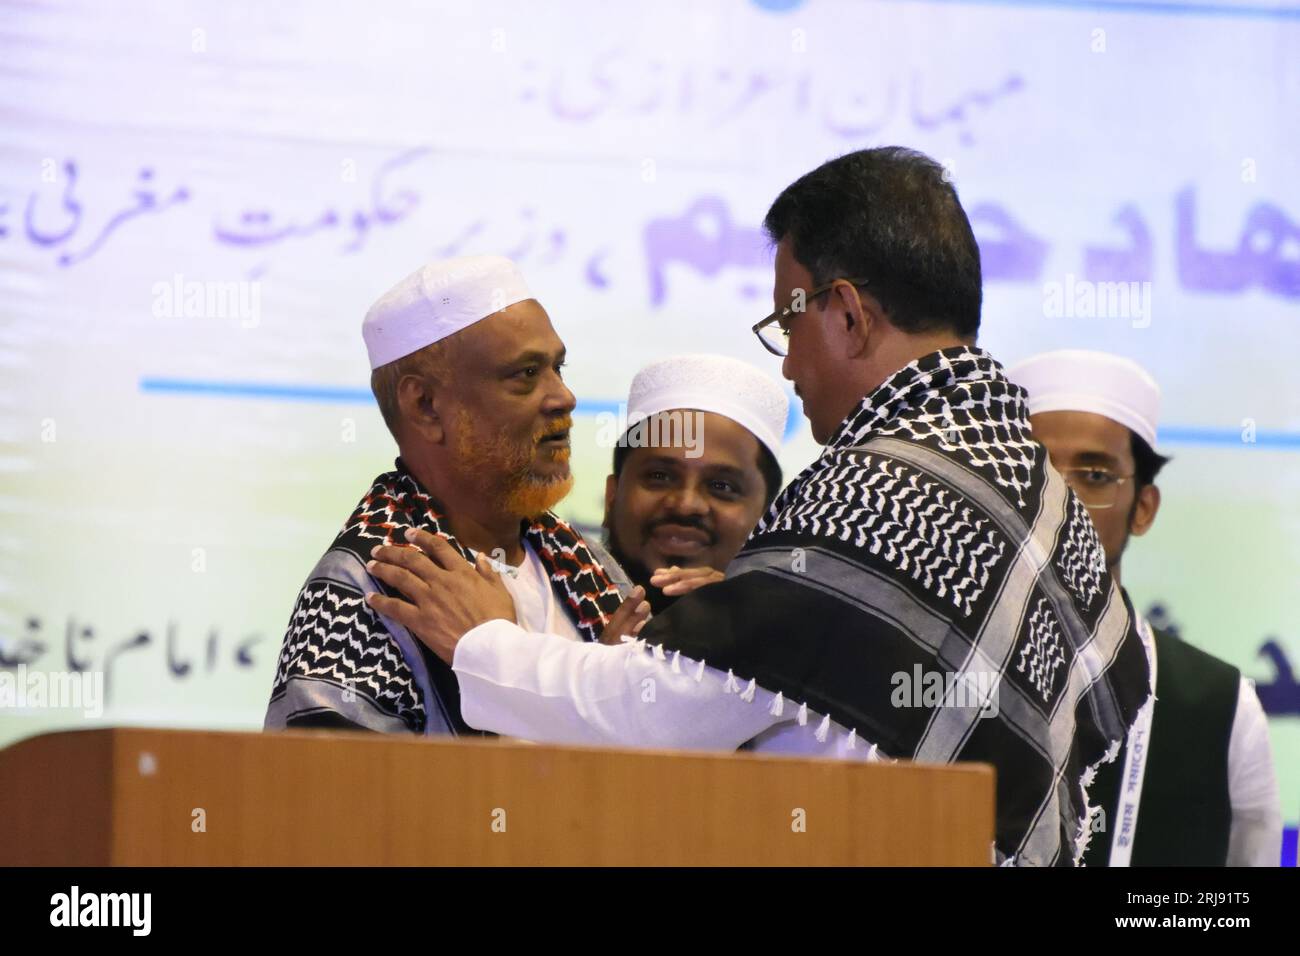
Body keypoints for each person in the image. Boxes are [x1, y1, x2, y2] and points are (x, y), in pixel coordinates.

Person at [367, 147, 1152, 866]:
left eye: (788, 319)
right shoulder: (1028, 476)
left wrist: (483, 643)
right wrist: (744, 638)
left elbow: (668, 713)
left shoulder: (881, 491)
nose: (789, 363)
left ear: (846, 314)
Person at [264, 255, 648, 735]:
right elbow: (334, 802)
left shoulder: (585, 567)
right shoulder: (368, 588)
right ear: (425, 406)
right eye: (526, 374)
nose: (562, 396)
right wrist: (499, 656)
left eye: (558, 367)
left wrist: (613, 704)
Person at [1009, 348, 1281, 866]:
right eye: (1038, 473)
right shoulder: (948, 673)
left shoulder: (1222, 710)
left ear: (1144, 509)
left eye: (1094, 476)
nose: (1062, 501)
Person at [602, 354, 787, 615]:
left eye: (722, 486)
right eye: (660, 477)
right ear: (612, 495)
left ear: (767, 520)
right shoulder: (542, 610)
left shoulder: (802, 643)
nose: (686, 505)